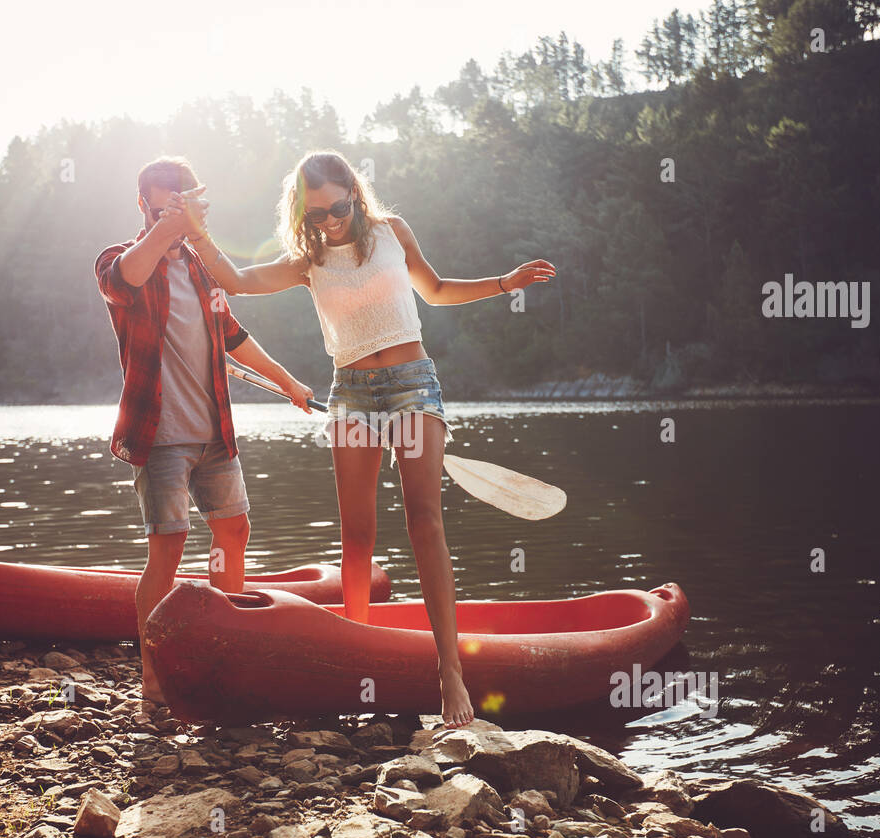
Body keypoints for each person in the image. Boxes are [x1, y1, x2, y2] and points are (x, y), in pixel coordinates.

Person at [171, 150, 554, 727]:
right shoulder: (309, 259)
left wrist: (505, 283)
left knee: (424, 522)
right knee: (357, 535)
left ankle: (450, 670)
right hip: (350, 392)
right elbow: (237, 280)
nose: (329, 220)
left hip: (412, 386)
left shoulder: (392, 233)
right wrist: (193, 230)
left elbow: (439, 290)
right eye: (316, 212)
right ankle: (358, 656)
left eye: (337, 207)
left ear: (354, 190)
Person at [94, 156, 315, 714]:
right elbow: (127, 278)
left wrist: (289, 383)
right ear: (144, 203)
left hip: (214, 432)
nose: (179, 209)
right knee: (167, 549)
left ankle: (225, 651)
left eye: (186, 199)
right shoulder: (119, 262)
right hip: (159, 434)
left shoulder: (201, 267)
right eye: (167, 201)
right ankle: (153, 675)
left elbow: (235, 337)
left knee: (234, 531)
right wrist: (171, 224)